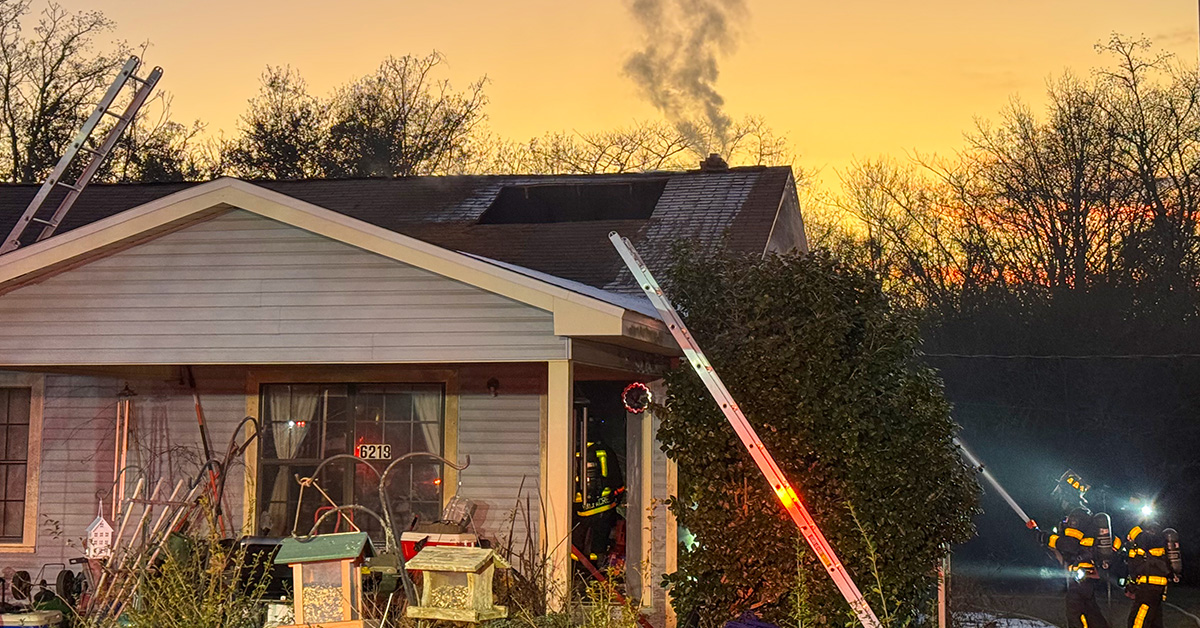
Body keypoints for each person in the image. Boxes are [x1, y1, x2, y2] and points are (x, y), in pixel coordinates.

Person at [1036, 508, 1111, 628]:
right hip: (1087, 574)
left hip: (1080, 576)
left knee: (1075, 613)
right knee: (1090, 610)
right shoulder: (1087, 520)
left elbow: (1069, 545)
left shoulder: (1077, 517)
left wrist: (1047, 539)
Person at [1116, 520, 1181, 628]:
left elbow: (1135, 566)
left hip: (1148, 588)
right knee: (1154, 622)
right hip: (1156, 589)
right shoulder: (1157, 544)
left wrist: (1131, 584)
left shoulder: (1145, 542)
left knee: (1137, 622)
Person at [573, 438, 625, 564]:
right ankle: (599, 569)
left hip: (580, 509)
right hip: (604, 507)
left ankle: (577, 569)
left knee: (576, 546)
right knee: (599, 545)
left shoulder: (572, 450)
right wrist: (617, 496)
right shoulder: (606, 450)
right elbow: (616, 479)